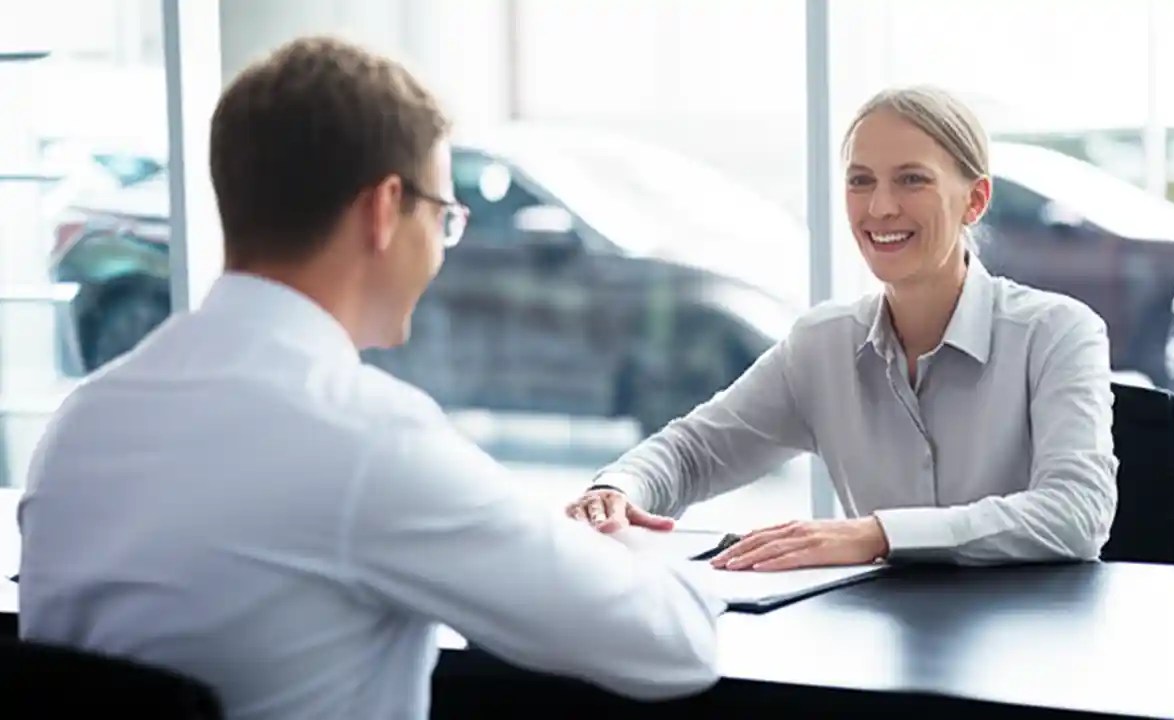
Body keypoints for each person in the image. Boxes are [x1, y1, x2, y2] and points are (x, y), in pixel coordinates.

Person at [17, 36, 723, 720]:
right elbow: (673, 647)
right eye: (443, 217)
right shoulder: (362, 438)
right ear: (385, 210)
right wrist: (631, 541)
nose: (442, 251)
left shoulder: (82, 424)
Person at [566, 85, 1119, 570]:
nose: (880, 207)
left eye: (911, 180)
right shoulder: (822, 345)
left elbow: (1076, 511)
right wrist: (617, 489)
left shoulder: (1059, 333)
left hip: (1034, 656)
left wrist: (877, 535)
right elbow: (693, 453)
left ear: (974, 200)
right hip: (873, 655)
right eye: (861, 181)